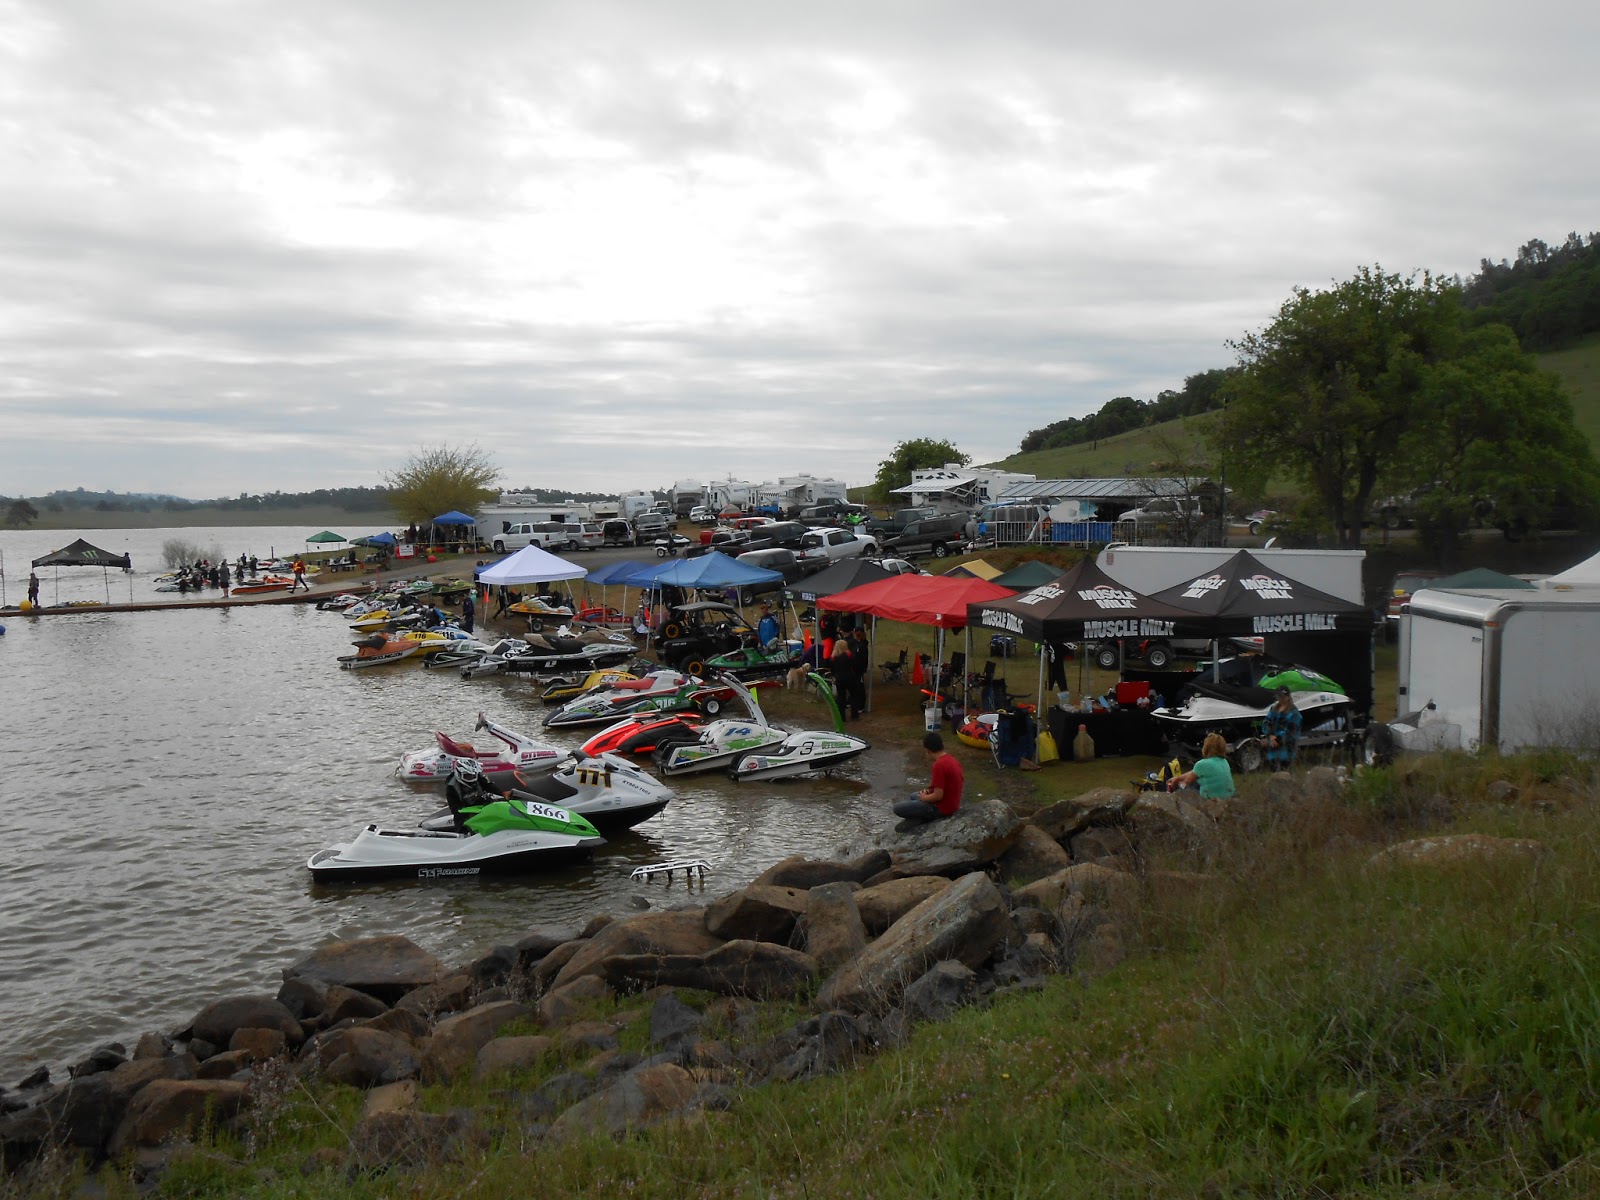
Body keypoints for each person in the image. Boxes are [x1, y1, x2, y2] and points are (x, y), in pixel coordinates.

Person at [893, 732, 964, 827]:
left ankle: (923, 819)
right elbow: (944, 788)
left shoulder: (939, 765)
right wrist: (928, 792)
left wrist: (924, 798)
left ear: (927, 750)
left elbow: (938, 796)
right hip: (953, 804)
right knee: (914, 796)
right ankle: (919, 815)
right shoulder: (951, 760)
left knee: (897, 808)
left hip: (942, 809)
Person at [1169, 732, 1236, 798]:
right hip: (1228, 797)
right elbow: (1194, 772)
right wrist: (1178, 778)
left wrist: (1177, 782)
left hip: (1211, 799)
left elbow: (1186, 782)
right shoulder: (1224, 762)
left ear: (1206, 747)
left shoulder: (1202, 764)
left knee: (1181, 786)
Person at [1262, 686, 1302, 770]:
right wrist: (1269, 735)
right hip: (1272, 746)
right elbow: (1266, 722)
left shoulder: (1294, 712)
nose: (1280, 699)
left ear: (1288, 697)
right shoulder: (1273, 709)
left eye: (1282, 697)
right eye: (1278, 696)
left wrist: (1277, 738)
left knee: (1285, 770)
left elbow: (1291, 732)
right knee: (1273, 770)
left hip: (1287, 748)